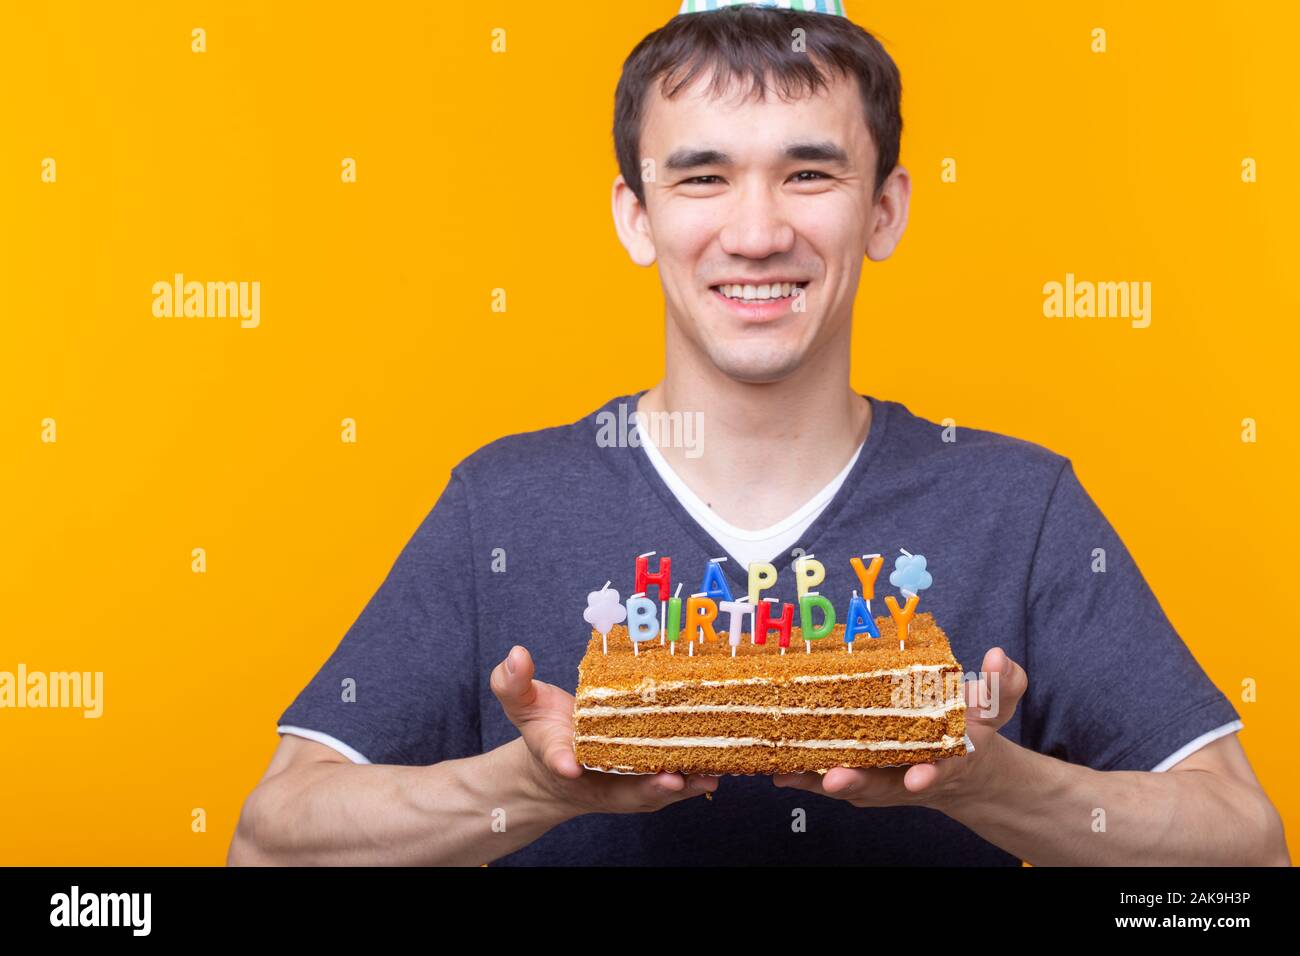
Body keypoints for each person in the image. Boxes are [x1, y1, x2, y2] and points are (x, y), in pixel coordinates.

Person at [228, 0, 1288, 866]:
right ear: (635, 216)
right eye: (701, 175)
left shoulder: (1020, 505)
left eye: (809, 171)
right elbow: (269, 843)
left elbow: (1244, 849)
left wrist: (993, 779)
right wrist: (523, 784)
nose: (755, 231)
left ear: (884, 210)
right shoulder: (500, 502)